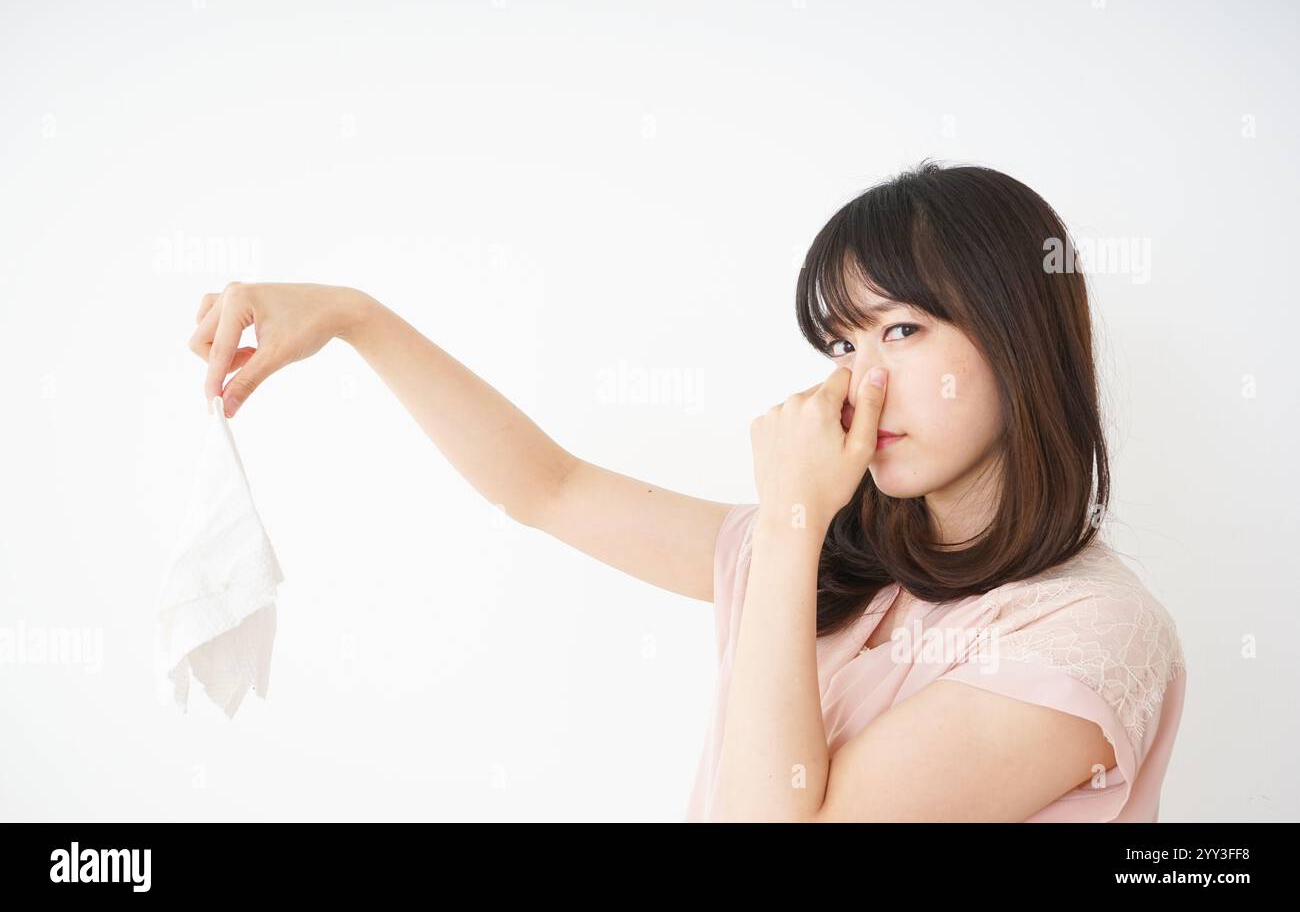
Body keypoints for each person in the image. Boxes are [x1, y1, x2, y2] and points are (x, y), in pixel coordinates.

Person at [188, 159, 1186, 822]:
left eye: (902, 329)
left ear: (1016, 333)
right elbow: (547, 486)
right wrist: (358, 318)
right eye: (840, 340)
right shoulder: (841, 568)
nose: (858, 379)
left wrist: (793, 525)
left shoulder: (1088, 630)